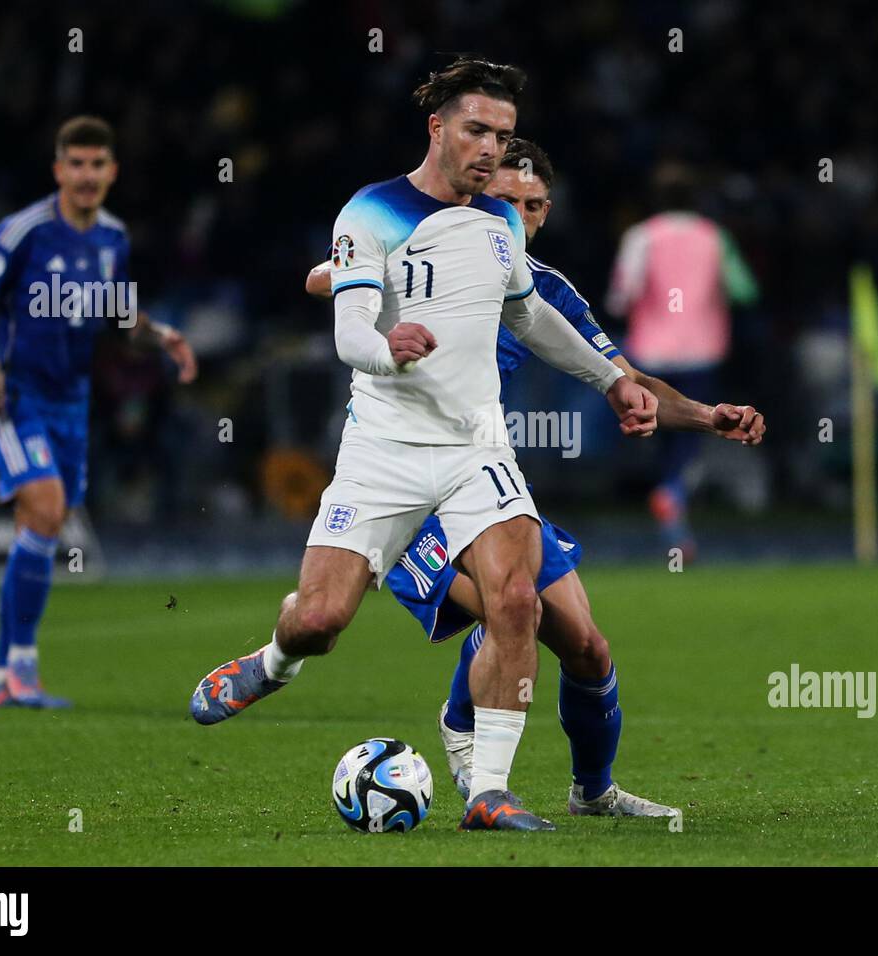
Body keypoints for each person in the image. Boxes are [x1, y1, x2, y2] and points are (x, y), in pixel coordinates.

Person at [188, 57, 658, 832]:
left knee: (516, 601)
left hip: (478, 447)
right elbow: (348, 330)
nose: (490, 149)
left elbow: (531, 318)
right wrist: (387, 346)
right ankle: (272, 664)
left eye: (503, 136)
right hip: (383, 452)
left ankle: (489, 793)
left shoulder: (501, 223)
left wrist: (611, 380)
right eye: (477, 130)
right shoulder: (369, 213)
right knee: (320, 620)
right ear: (437, 128)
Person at [307, 139, 766, 815]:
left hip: (481, 474)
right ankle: (467, 740)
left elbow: (625, 376)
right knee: (509, 606)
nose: (517, 216)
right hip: (402, 477)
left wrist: (705, 414)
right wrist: (345, 280)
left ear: (546, 212)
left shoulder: (543, 290)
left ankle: (593, 792)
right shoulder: (417, 245)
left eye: (531, 205)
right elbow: (330, 275)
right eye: (506, 202)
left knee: (587, 646)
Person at [0, 116, 197, 707]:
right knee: (46, 506)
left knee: (39, 526)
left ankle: (5, 675)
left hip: (71, 402)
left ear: (112, 171)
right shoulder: (26, 230)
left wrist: (162, 336)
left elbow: (121, 320)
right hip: (16, 396)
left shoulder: (112, 237)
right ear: (58, 169)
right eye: (76, 164)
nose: (86, 175)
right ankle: (20, 671)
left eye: (97, 164)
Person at [606, 161, 761, 557]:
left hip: (650, 355)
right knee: (695, 431)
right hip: (701, 352)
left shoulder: (641, 238)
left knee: (655, 429)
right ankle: (672, 495)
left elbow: (620, 296)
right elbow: (744, 290)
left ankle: (667, 501)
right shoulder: (714, 238)